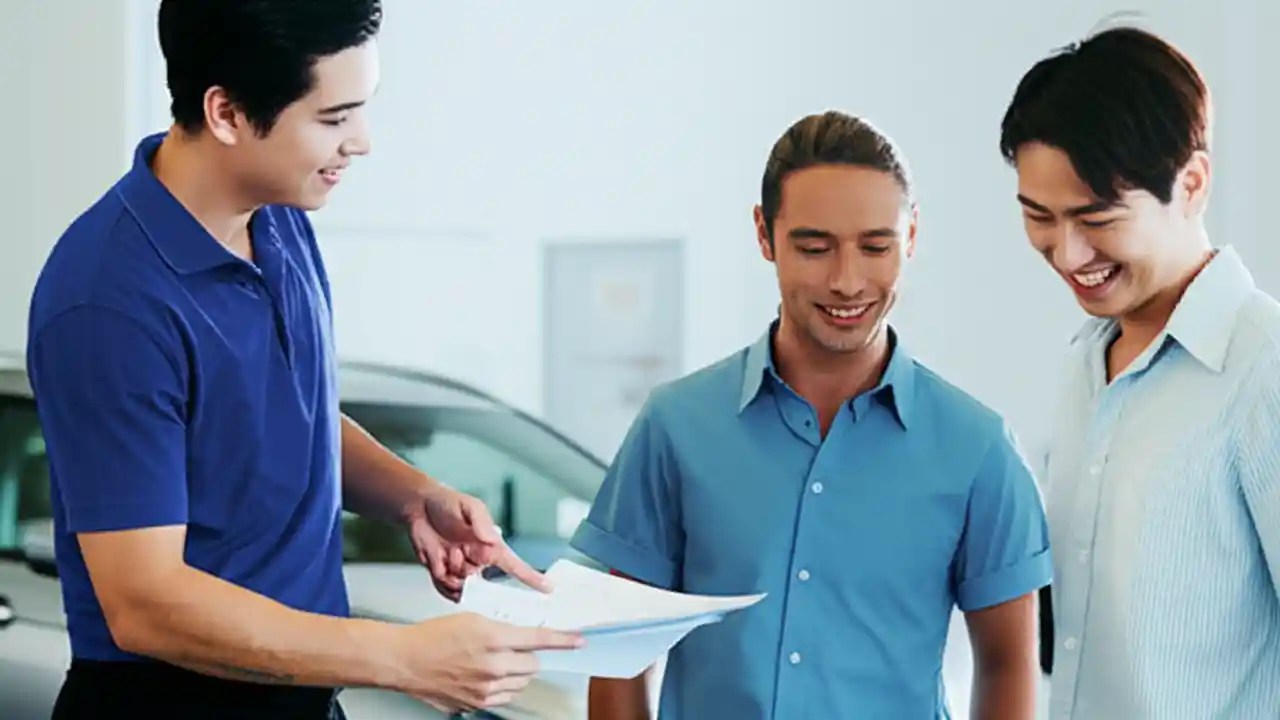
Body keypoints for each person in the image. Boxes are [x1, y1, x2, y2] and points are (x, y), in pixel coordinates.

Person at [25, 2, 581, 718]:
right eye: (334, 117)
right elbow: (145, 603)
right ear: (225, 112)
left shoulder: (278, 215)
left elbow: (283, 416)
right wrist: (402, 656)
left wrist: (411, 494)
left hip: (300, 694)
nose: (363, 142)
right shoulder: (107, 300)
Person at [570, 110, 1053, 719]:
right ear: (764, 235)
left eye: (875, 246)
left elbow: (1009, 665)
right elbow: (619, 657)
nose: (847, 281)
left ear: (911, 237)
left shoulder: (979, 448)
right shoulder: (675, 427)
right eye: (814, 247)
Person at [999, 25, 1280, 719]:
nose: (1067, 253)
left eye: (1097, 218)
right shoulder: (1084, 363)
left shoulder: (1262, 369)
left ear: (1191, 184)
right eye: (1038, 216)